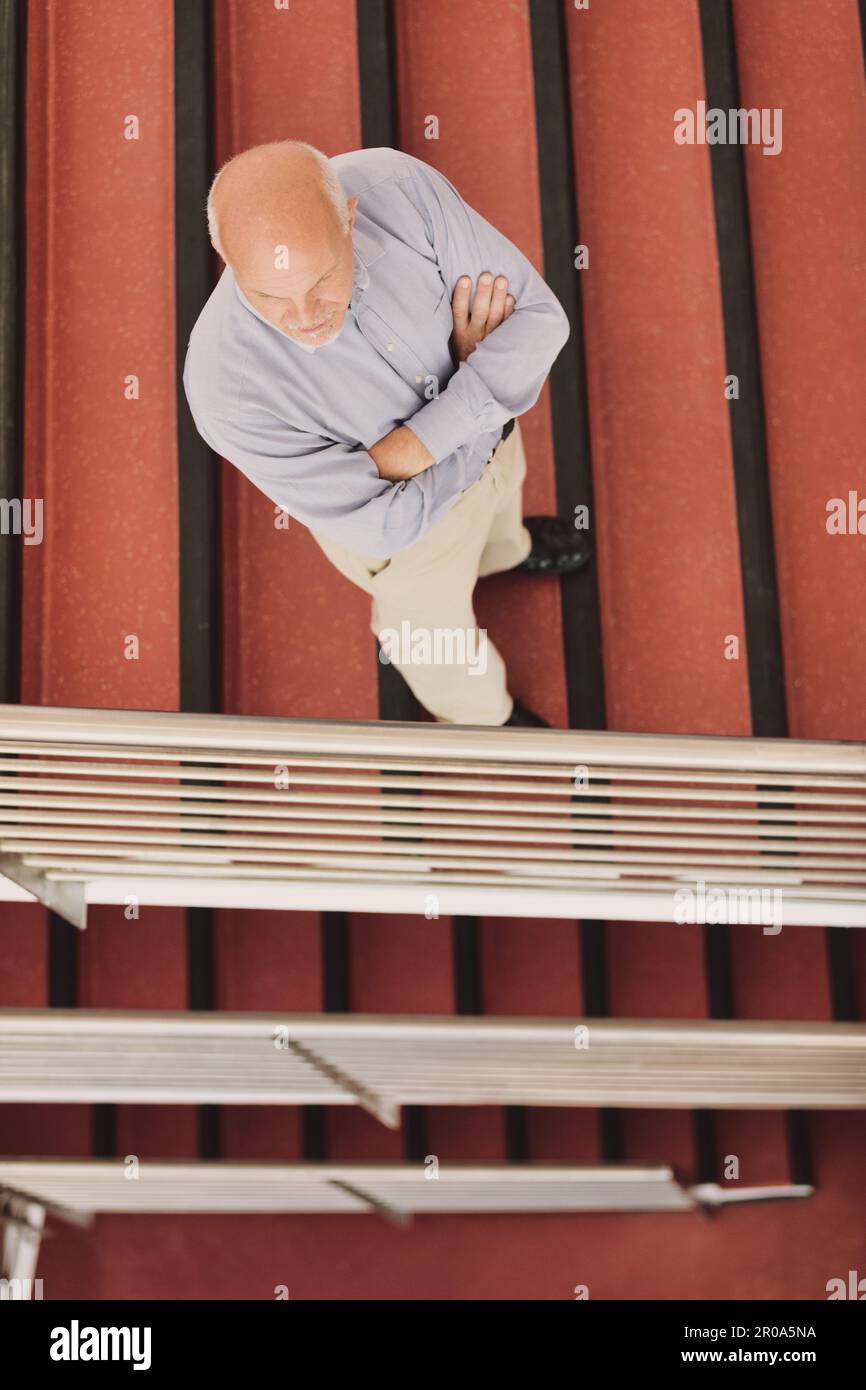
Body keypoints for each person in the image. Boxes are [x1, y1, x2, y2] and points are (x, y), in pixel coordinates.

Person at [183, 141, 592, 725]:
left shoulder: (396, 188)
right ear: (223, 254)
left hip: (495, 450)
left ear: (349, 217)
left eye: (322, 278)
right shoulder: (224, 391)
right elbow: (383, 525)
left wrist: (404, 451)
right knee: (434, 640)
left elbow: (540, 321)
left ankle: (510, 554)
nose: (304, 318)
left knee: (502, 512)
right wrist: (473, 378)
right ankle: (486, 720)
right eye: (270, 296)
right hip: (415, 544)